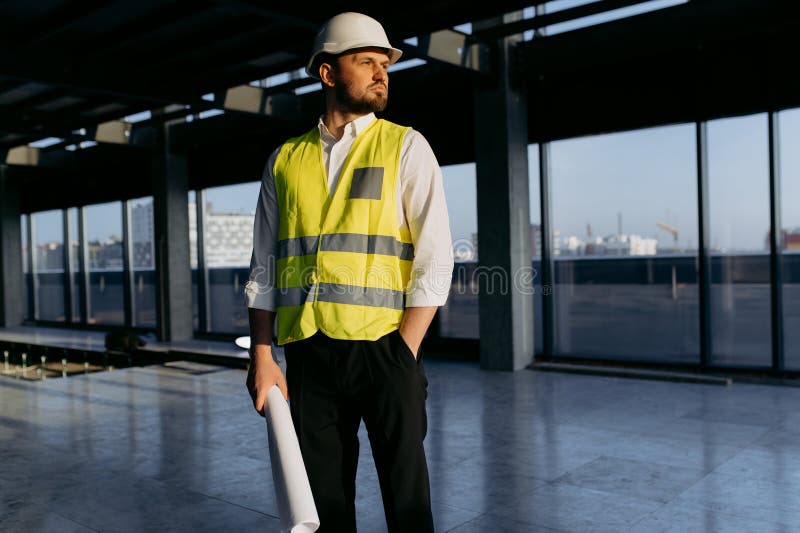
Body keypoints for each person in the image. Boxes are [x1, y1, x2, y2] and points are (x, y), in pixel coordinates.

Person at [245, 11, 453, 533]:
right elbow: (264, 269)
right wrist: (264, 357)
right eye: (366, 61)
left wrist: (403, 349)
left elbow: (436, 259)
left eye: (385, 64)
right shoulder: (284, 161)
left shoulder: (406, 146)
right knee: (323, 503)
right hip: (311, 354)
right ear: (328, 73)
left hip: (386, 349)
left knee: (407, 503)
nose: (382, 73)